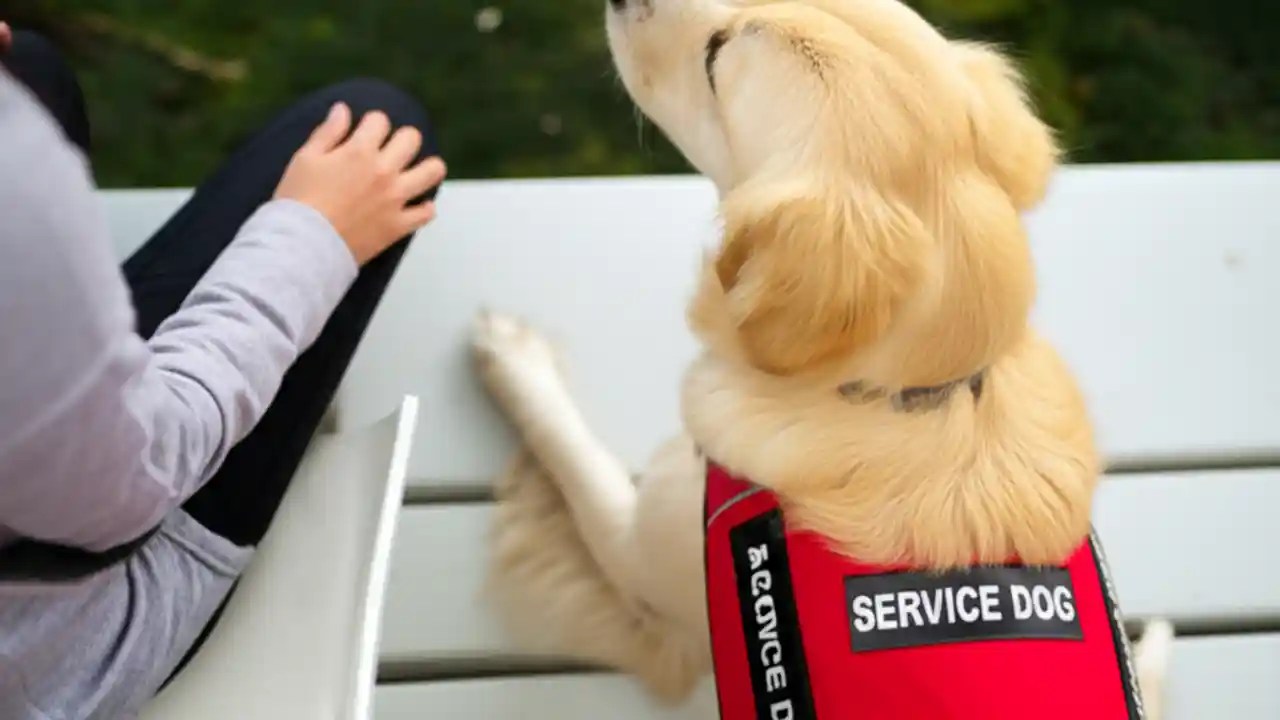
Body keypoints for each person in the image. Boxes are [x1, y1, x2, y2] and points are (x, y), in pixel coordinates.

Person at [0, 22, 447, 718]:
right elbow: (138, 474)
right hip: (64, 634)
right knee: (377, 129)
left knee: (26, 69)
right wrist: (310, 234)